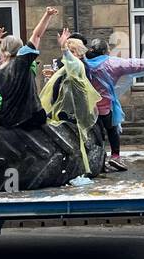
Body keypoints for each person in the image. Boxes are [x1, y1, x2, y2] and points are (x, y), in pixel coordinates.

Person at [84, 37, 144, 171]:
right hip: (104, 108)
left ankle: (96, 161)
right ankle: (115, 156)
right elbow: (136, 64)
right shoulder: (111, 64)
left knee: (95, 135)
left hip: (86, 109)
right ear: (105, 51)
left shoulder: (84, 63)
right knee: (112, 130)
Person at [40, 35, 101, 180]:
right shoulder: (70, 67)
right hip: (65, 112)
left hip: (73, 114)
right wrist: (54, 74)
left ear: (79, 54)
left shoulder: (78, 65)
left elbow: (72, 68)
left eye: (73, 51)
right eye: (69, 51)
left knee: (75, 144)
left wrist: (64, 48)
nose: (69, 55)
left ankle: (78, 170)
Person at [0, 6, 58, 130]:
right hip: (31, 117)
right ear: (20, 48)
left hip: (9, 119)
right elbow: (37, 35)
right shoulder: (22, 61)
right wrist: (47, 15)